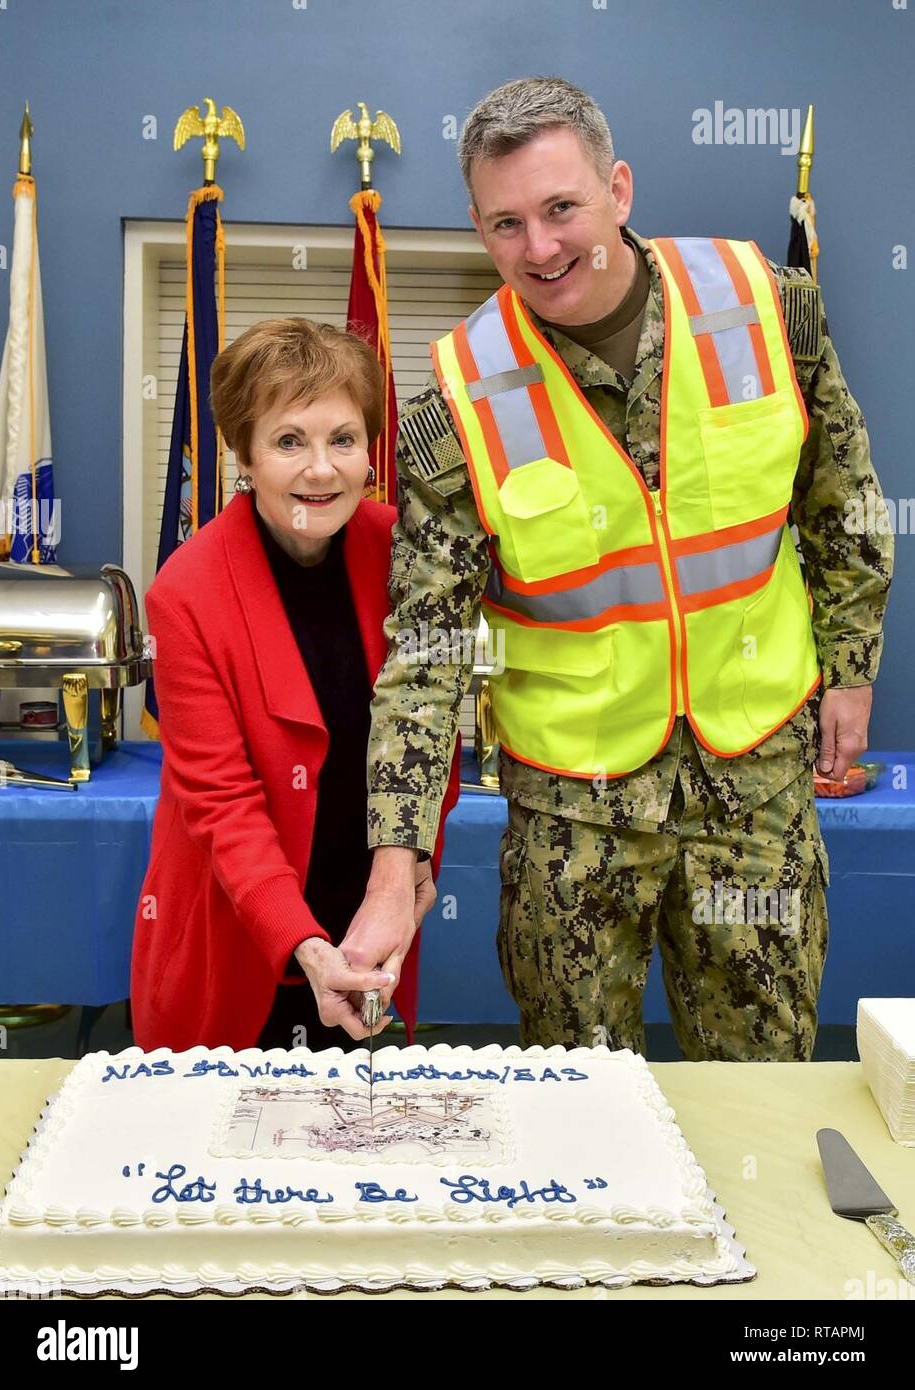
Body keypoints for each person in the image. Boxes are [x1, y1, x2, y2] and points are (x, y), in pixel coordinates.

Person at [342, 76, 893, 1061]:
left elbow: (841, 495)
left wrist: (850, 661)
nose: (541, 248)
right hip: (571, 817)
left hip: (753, 788)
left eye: (562, 208)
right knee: (580, 1120)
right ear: (477, 227)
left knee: (758, 1091)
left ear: (620, 189)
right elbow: (424, 655)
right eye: (506, 223)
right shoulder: (462, 397)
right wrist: (394, 860)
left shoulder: (764, 303)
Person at [131, 317, 460, 1051]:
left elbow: (432, 727)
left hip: (366, 924)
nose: (321, 469)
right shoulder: (185, 592)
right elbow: (221, 805)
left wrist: (416, 861)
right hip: (242, 937)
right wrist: (306, 948)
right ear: (242, 453)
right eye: (289, 442)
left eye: (343, 440)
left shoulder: (401, 551)